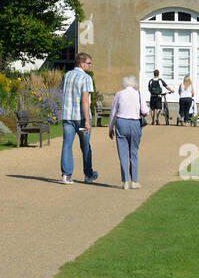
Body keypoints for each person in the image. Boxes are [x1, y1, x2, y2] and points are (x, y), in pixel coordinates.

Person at [60, 52, 99, 185]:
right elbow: (84, 100)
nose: (90, 65)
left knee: (67, 145)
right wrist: (87, 120)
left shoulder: (67, 75)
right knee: (85, 146)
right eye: (88, 63)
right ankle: (88, 175)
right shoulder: (86, 78)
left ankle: (66, 175)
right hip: (81, 118)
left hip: (67, 117)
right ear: (82, 63)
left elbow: (63, 92)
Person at [108, 74, 143, 189]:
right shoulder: (138, 94)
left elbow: (113, 112)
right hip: (134, 123)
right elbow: (145, 110)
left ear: (124, 84)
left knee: (122, 153)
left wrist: (110, 128)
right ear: (134, 84)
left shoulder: (119, 94)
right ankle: (134, 180)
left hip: (121, 122)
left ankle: (125, 181)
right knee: (133, 152)